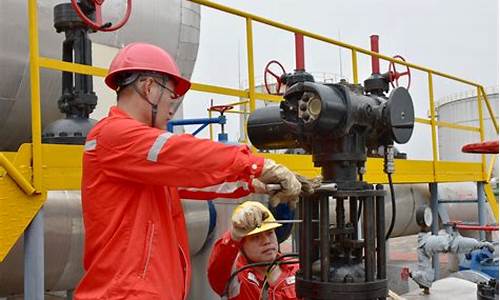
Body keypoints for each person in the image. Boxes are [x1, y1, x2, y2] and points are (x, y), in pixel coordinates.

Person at [74, 42, 302, 300]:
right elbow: (184, 153)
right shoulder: (113, 135)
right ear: (148, 87)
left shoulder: (142, 162)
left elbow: (195, 179)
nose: (173, 107)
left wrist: (252, 182)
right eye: (172, 96)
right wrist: (256, 165)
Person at [208, 201, 300, 300]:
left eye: (270, 233)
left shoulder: (297, 269)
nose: (266, 241)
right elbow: (218, 269)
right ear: (241, 244)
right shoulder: (236, 277)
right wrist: (232, 237)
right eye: (256, 237)